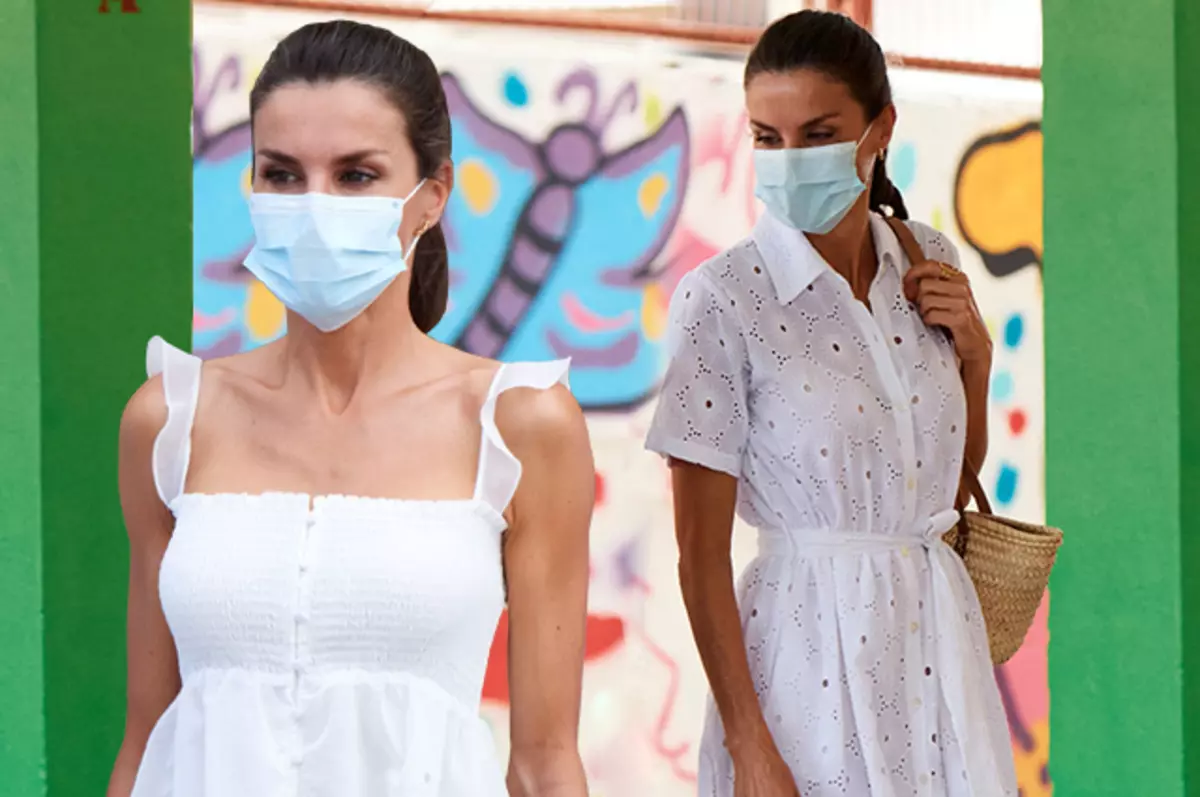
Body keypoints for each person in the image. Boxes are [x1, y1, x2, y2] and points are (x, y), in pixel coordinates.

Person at [107, 20, 594, 797]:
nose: (314, 205)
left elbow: (544, 760)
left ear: (431, 196)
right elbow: (147, 735)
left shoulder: (521, 425)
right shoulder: (169, 420)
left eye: (357, 175)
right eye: (283, 174)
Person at [645, 10, 1017, 797]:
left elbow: (941, 494)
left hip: (936, 646)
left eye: (817, 133)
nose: (789, 161)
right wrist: (749, 744)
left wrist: (975, 360)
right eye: (767, 138)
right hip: (806, 659)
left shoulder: (927, 260)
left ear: (879, 128)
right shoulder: (721, 300)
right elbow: (699, 557)